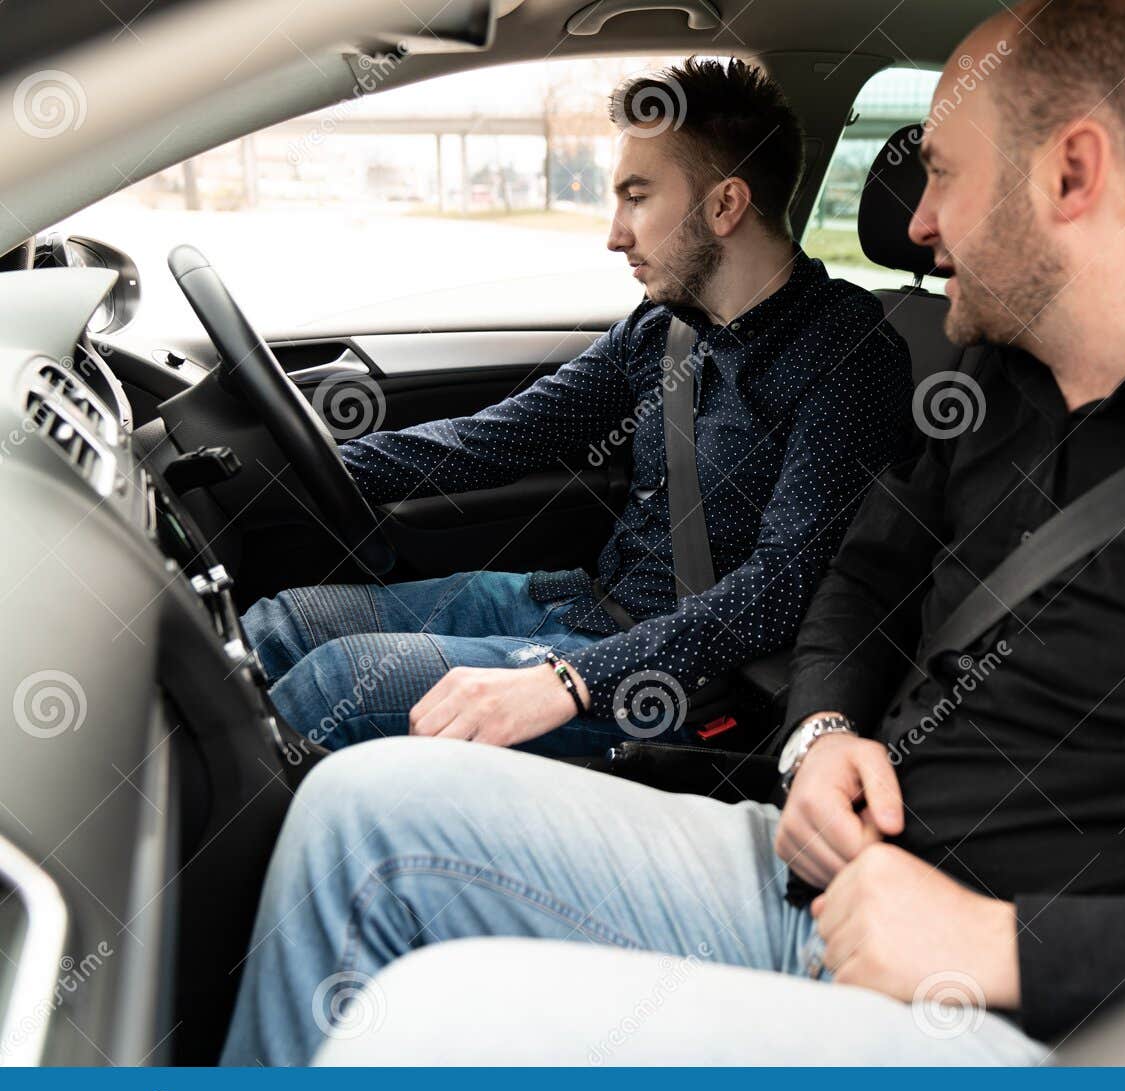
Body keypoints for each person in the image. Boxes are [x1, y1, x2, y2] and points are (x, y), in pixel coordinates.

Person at [223, 0, 1125, 1066]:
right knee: (359, 812)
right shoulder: (1003, 392)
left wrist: (1002, 947)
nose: (913, 224)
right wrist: (824, 733)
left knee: (423, 1028)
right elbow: (860, 573)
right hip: (827, 873)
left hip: (1038, 1024)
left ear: (1071, 171)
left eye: (943, 177)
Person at [242, 58, 912, 758]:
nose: (615, 234)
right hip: (578, 606)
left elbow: (781, 586)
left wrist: (571, 679)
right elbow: (496, 440)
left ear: (725, 206)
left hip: (681, 683)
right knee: (282, 625)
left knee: (331, 690)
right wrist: (291, 472)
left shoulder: (849, 357)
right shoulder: (664, 327)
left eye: (637, 197)